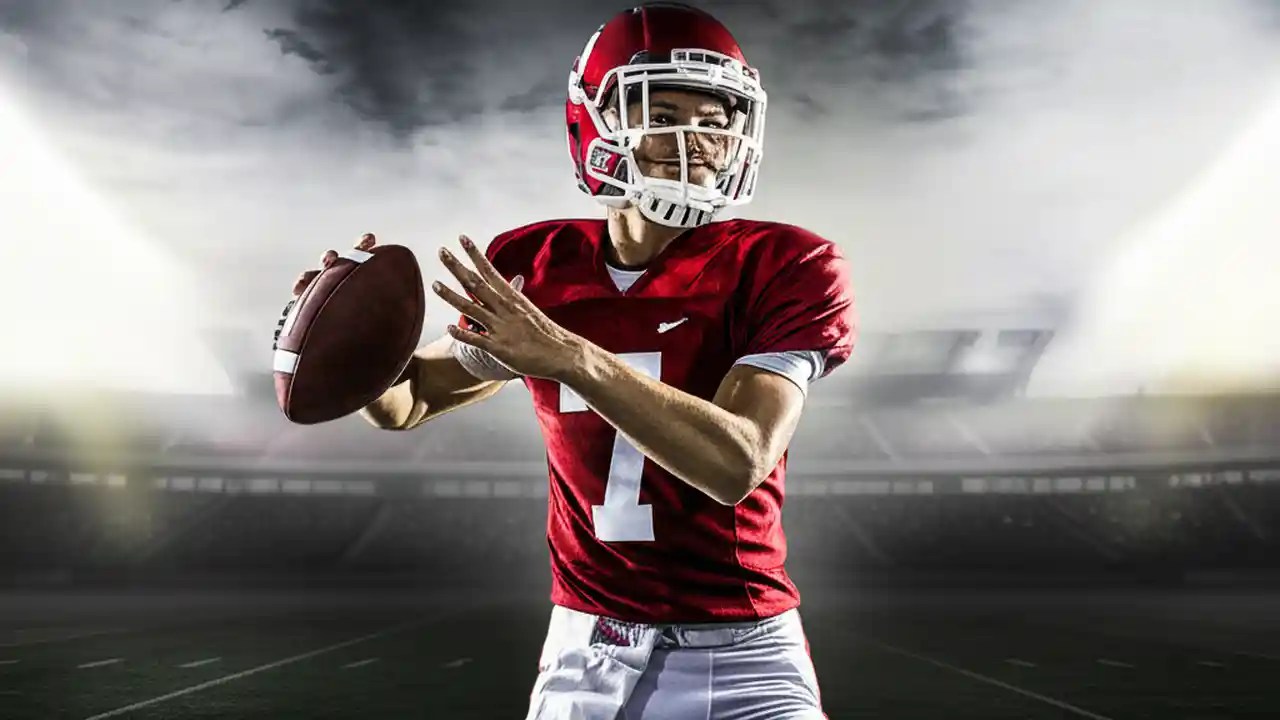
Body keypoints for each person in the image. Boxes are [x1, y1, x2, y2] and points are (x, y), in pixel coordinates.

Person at [288, 4, 855, 718]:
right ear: (597, 119)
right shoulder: (535, 263)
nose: (699, 141)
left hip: (741, 651)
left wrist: (570, 358)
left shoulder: (787, 262)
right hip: (584, 649)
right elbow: (408, 403)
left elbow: (736, 464)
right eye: (665, 111)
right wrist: (356, 347)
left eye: (717, 120)